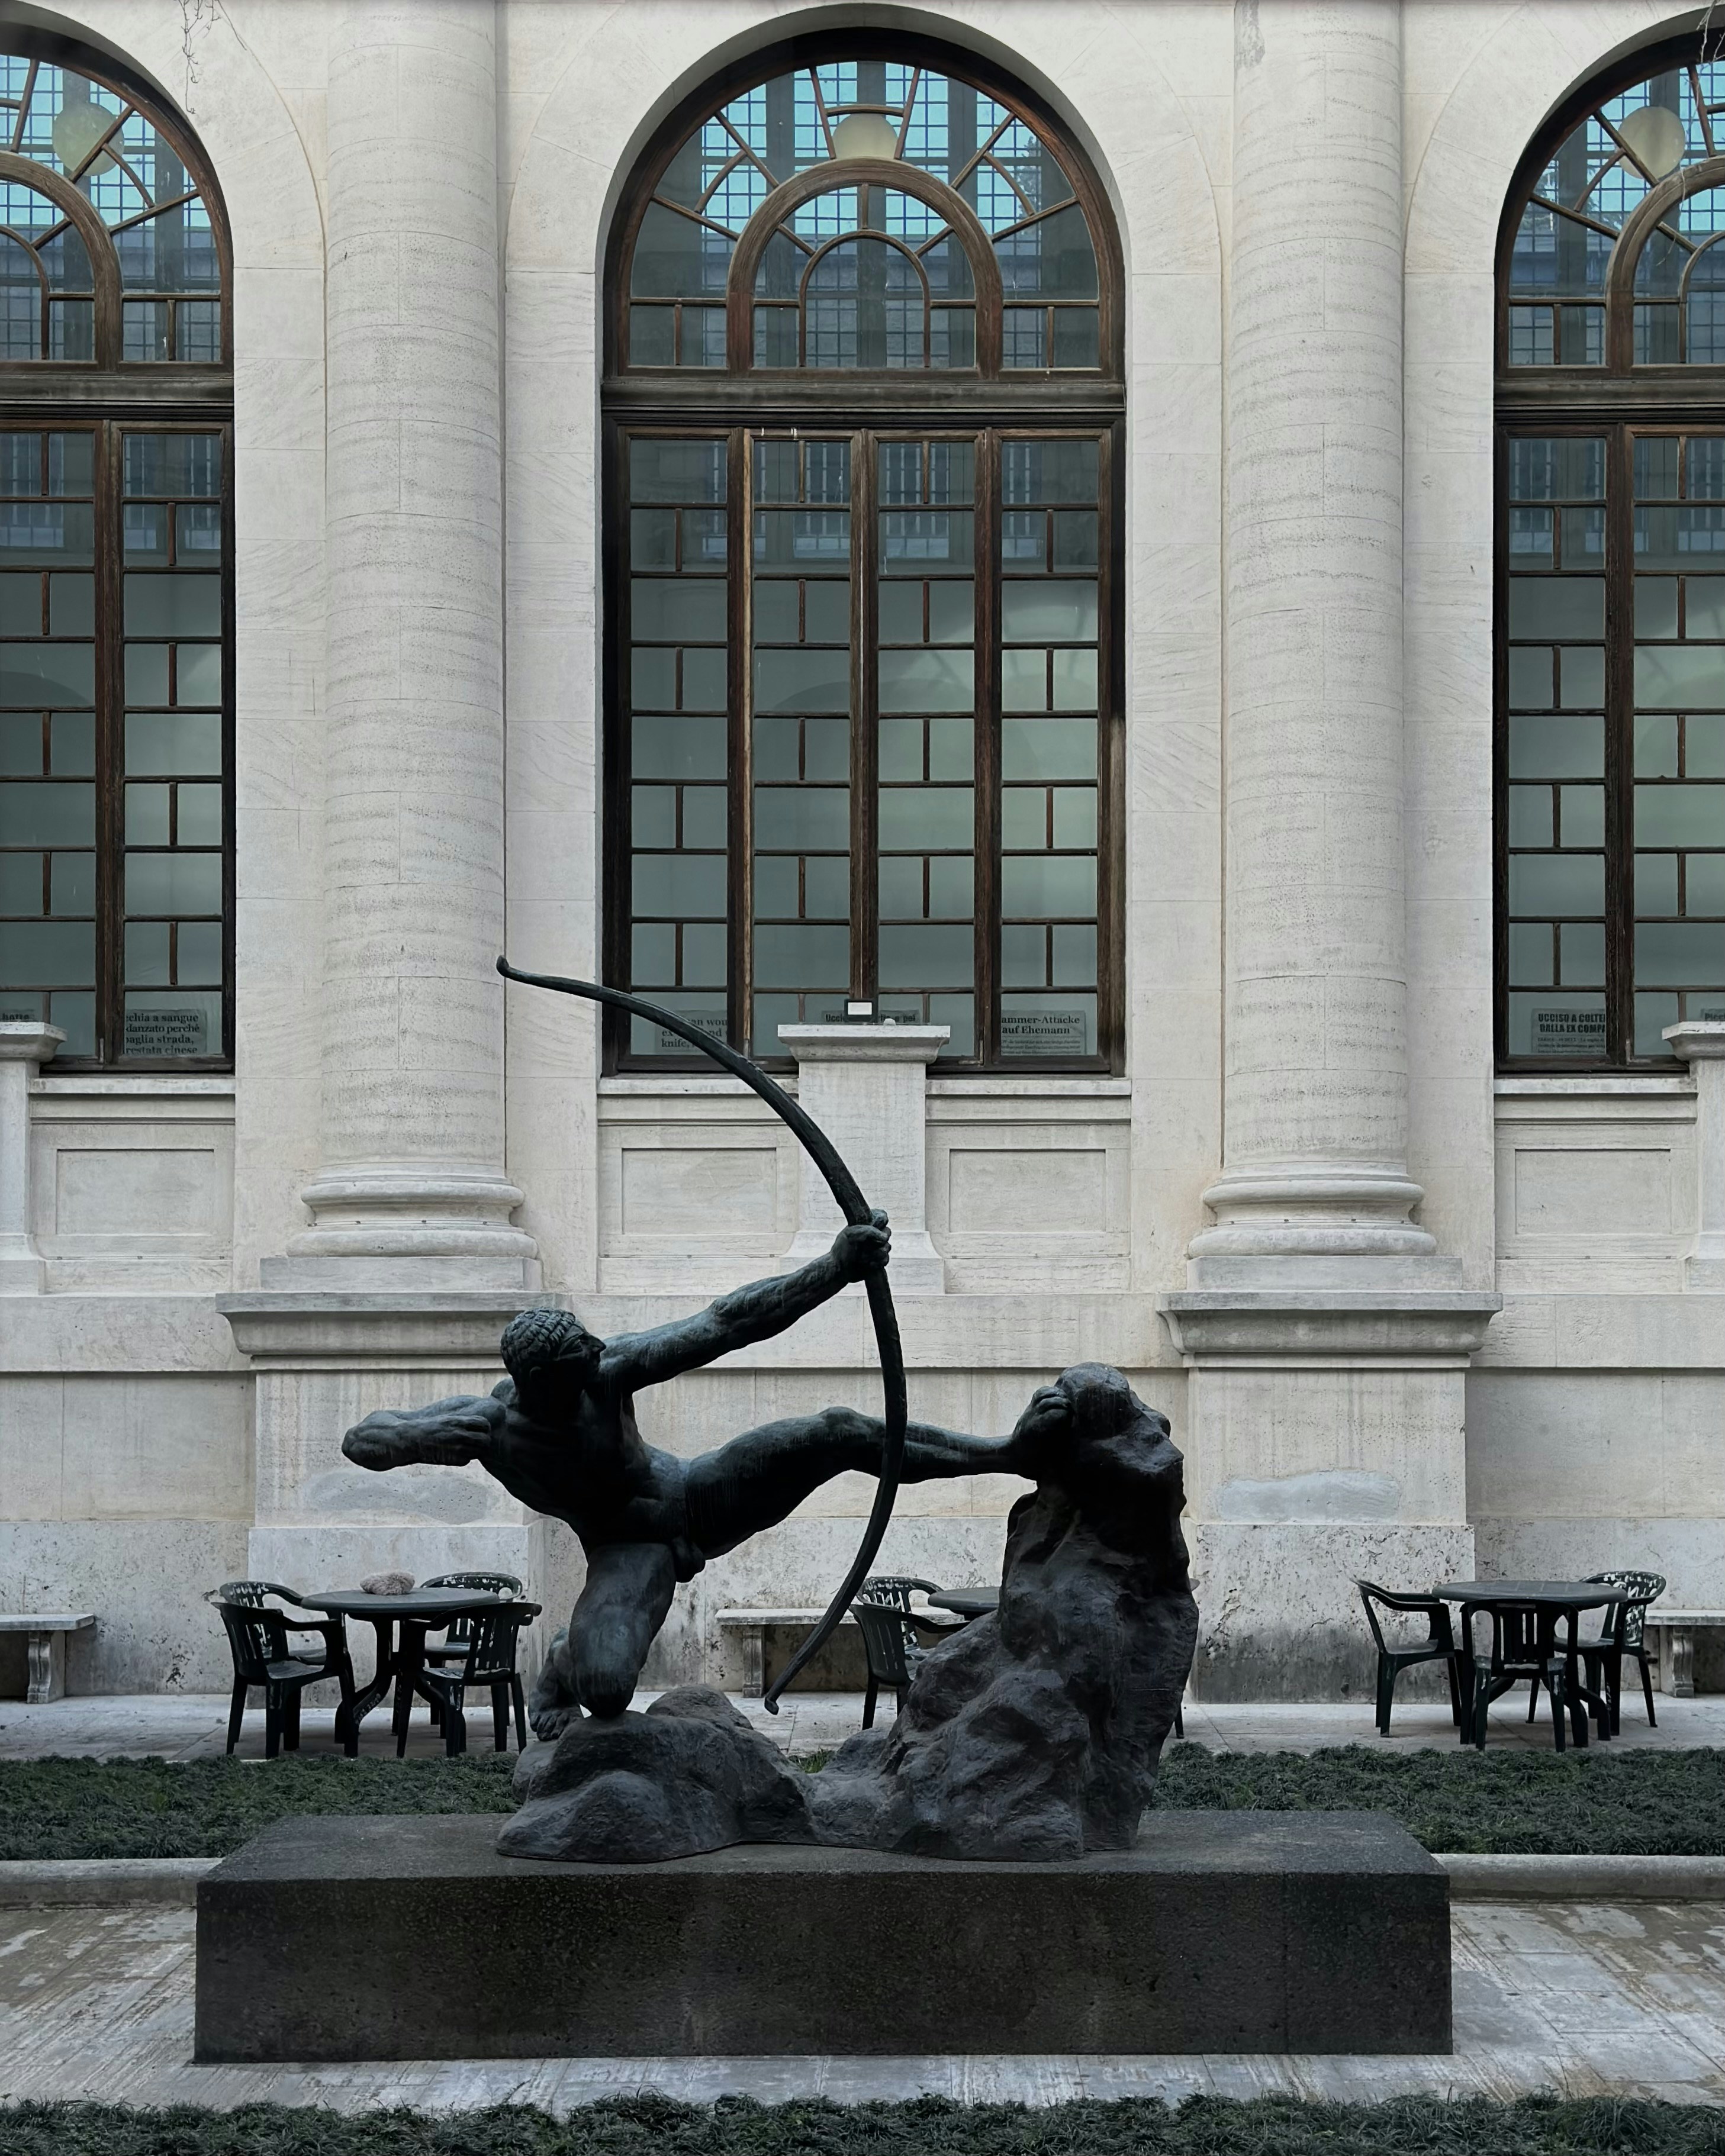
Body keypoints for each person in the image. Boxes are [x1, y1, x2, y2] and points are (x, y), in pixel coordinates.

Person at [342, 1216, 1029, 1717]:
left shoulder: (604, 1372)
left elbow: (725, 1323)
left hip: (696, 1495)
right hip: (625, 1549)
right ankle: (566, 1659)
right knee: (607, 1689)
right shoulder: (490, 1427)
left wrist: (835, 1268)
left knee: (837, 1432)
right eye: (580, 1368)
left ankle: (1004, 1453)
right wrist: (414, 1439)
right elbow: (364, 1438)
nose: (598, 1364)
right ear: (543, 1385)